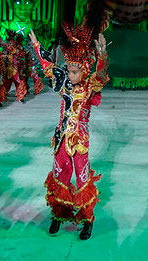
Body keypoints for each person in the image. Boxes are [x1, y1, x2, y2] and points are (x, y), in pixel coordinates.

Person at [30, 25, 108, 241]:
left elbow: (101, 74)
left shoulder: (90, 86)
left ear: (84, 70)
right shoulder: (63, 85)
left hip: (80, 141)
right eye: (69, 70)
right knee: (60, 176)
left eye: (75, 71)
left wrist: (101, 54)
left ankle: (87, 220)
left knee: (82, 179)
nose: (70, 74)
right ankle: (59, 214)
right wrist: (36, 46)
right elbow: (47, 66)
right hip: (61, 139)